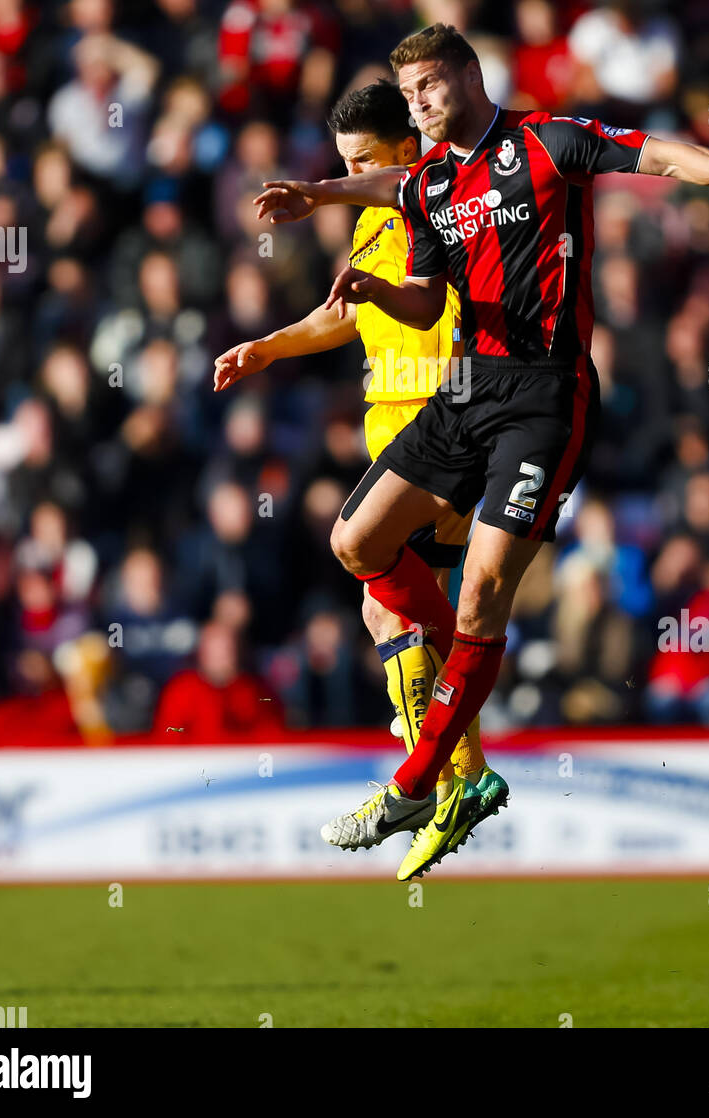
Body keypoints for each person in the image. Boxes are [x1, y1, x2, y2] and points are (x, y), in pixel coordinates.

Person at [254, 22, 709, 881]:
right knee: (354, 543)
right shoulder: (428, 188)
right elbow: (420, 305)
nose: (417, 109)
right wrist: (364, 268)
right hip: (464, 389)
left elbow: (661, 154)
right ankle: (450, 734)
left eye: (426, 91)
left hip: (545, 397)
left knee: (487, 588)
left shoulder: (547, 143)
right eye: (408, 98)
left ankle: (420, 782)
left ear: (467, 74)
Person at [214, 79, 506, 847]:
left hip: (438, 433)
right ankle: (450, 777)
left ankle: (444, 774)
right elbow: (345, 313)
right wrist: (269, 347)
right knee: (405, 612)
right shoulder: (377, 223)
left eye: (362, 161)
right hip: (402, 440)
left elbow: (427, 299)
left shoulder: (434, 206)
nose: (346, 177)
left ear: (408, 151)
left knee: (388, 603)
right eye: (340, 162)